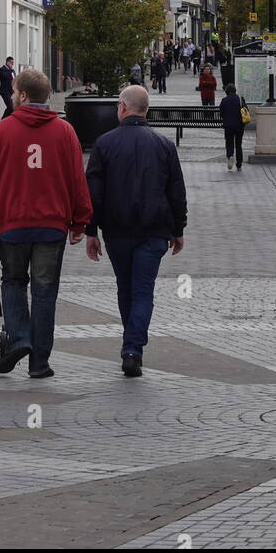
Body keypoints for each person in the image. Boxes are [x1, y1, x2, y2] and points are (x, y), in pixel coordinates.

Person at [0, 68, 92, 379]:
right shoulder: (64, 132)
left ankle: (19, 338)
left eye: (14, 92)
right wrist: (80, 221)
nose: (12, 96)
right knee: (44, 291)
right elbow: (76, 180)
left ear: (23, 95)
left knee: (13, 281)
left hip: (12, 224)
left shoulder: (2, 131)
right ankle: (39, 361)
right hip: (51, 225)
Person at [85, 85, 186, 377]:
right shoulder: (164, 145)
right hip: (154, 230)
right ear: (146, 110)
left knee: (125, 287)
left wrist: (91, 230)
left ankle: (131, 343)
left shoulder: (104, 144)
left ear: (121, 107)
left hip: (117, 230)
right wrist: (178, 228)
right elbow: (176, 192)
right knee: (143, 291)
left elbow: (94, 193)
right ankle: (133, 349)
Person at [219, 84, 245, 171]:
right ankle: (239, 164)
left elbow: (221, 113)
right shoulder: (240, 99)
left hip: (228, 125)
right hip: (239, 125)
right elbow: (245, 110)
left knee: (229, 142)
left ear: (227, 91)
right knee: (238, 144)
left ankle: (230, 155)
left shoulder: (224, 100)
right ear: (235, 90)